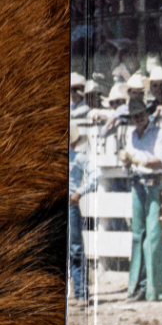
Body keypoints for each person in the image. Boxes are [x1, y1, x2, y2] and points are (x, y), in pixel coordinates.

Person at [118, 97, 162, 301]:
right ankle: (140, 286)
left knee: (154, 237)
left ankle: (157, 288)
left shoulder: (160, 134)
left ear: (147, 114)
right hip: (138, 185)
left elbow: (159, 162)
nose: (138, 118)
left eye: (141, 114)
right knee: (138, 236)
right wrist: (126, 161)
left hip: (154, 186)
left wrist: (134, 159)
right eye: (135, 115)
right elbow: (131, 161)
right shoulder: (132, 136)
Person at [69, 125, 101, 304]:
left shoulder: (78, 158)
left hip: (70, 203)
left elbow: (97, 174)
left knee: (75, 248)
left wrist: (80, 191)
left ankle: (81, 292)